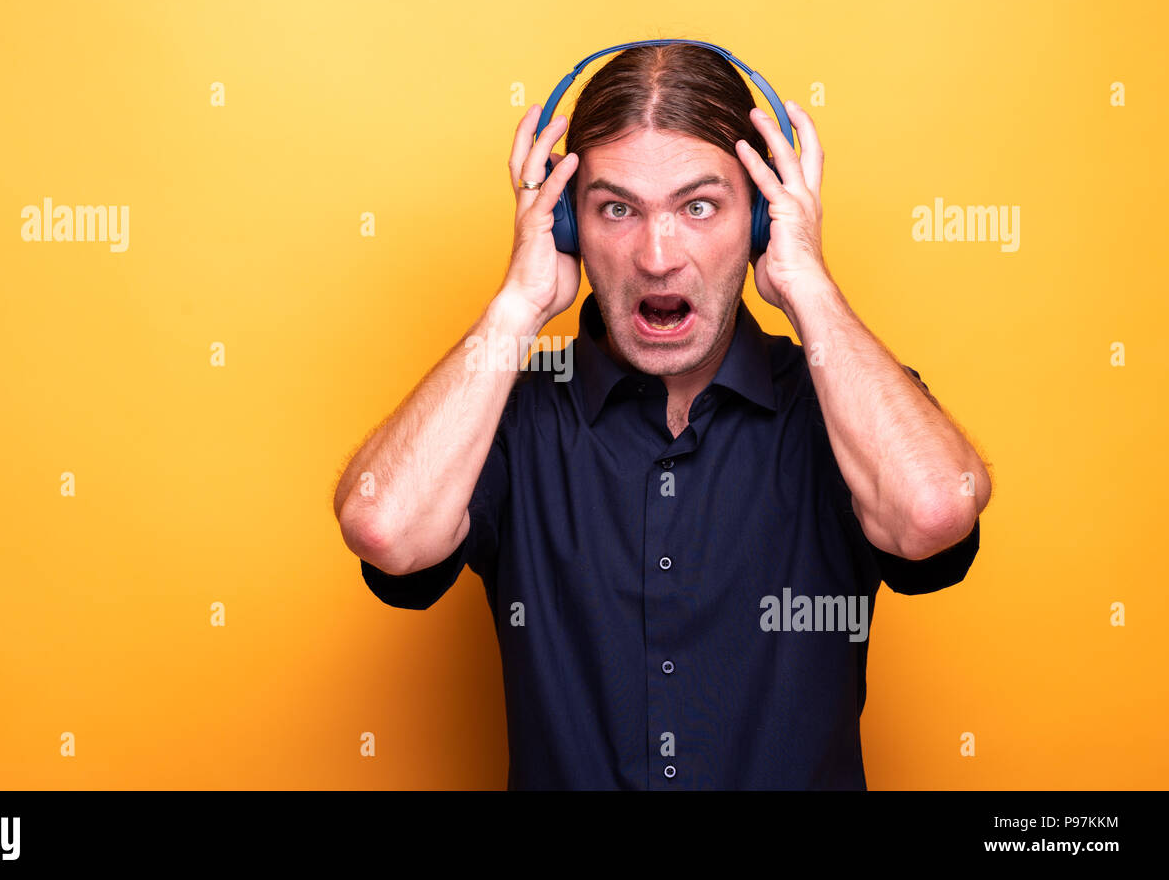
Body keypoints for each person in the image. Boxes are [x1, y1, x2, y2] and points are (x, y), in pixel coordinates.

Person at [333, 42, 992, 789]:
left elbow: (935, 509)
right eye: (617, 209)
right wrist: (517, 305)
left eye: (699, 206)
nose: (656, 254)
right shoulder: (509, 417)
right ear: (567, 228)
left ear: (762, 224)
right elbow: (384, 526)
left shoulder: (842, 408)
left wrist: (808, 282)